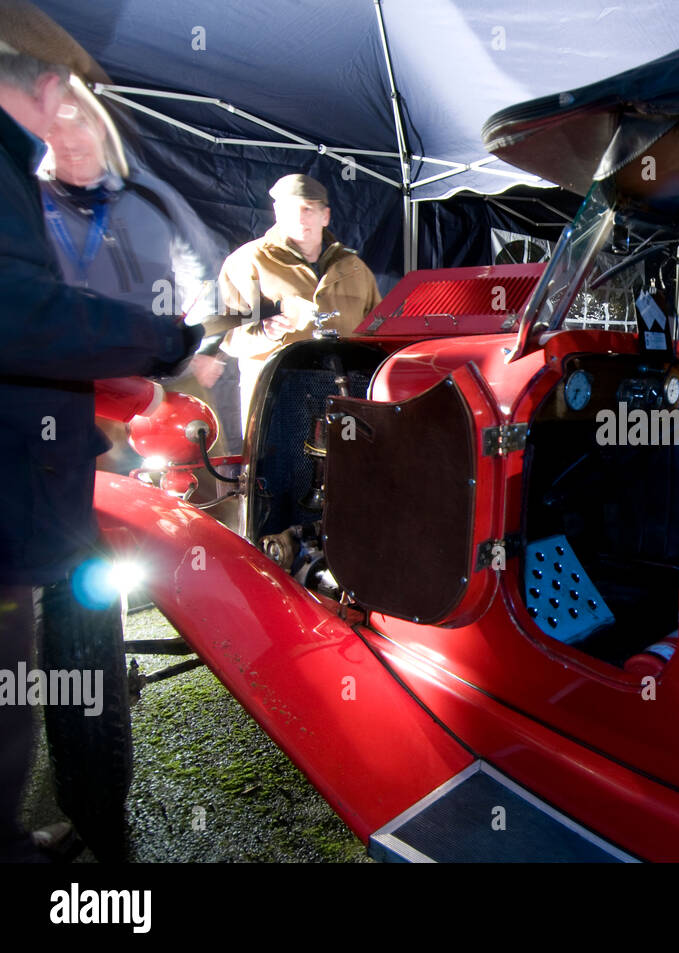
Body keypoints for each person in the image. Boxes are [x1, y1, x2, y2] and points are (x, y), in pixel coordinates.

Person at [0, 2, 200, 862]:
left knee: (76, 617)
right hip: (41, 457)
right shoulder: (21, 190)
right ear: (47, 89)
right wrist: (165, 345)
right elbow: (27, 315)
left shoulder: (140, 213)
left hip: (76, 448)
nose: (69, 137)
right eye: (66, 113)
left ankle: (85, 800)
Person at [37, 79, 238, 461]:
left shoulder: (149, 197)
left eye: (78, 123)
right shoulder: (26, 202)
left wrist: (201, 345)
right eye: (54, 128)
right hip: (78, 388)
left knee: (190, 485)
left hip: (166, 379)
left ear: (99, 127)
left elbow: (204, 270)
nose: (69, 139)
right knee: (97, 498)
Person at [218, 174, 381, 426]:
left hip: (346, 397)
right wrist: (266, 332)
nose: (299, 218)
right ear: (276, 212)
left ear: (325, 216)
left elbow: (378, 333)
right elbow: (228, 338)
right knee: (280, 465)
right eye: (290, 209)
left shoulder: (356, 269)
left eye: (308, 209)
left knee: (348, 464)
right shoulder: (248, 262)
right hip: (278, 399)